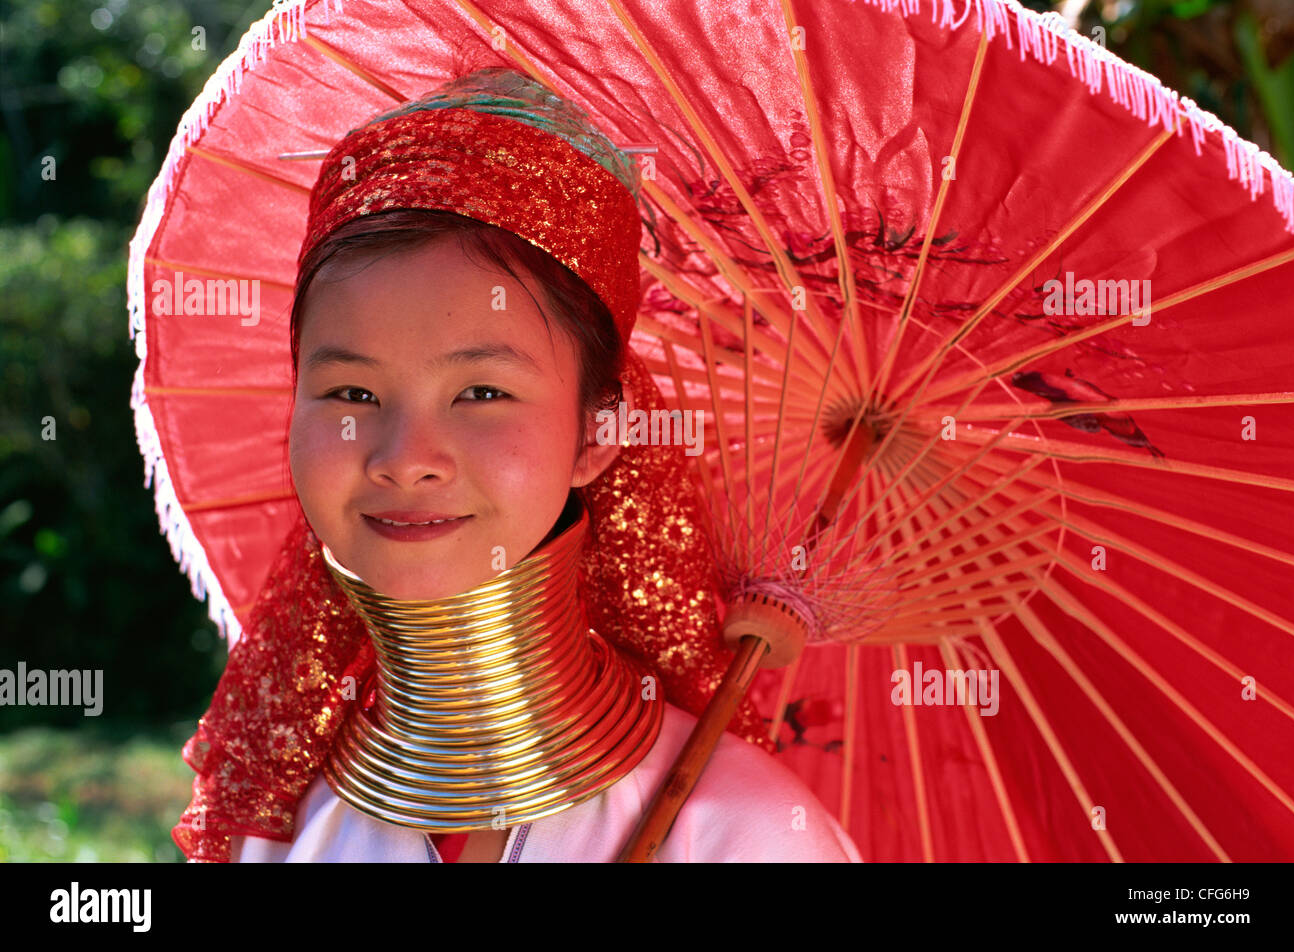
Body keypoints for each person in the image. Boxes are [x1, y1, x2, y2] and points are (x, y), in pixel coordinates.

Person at [172, 67, 861, 863]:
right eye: (351, 390)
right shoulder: (278, 829)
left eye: (482, 391)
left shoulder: (743, 834)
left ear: (599, 430)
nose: (404, 460)